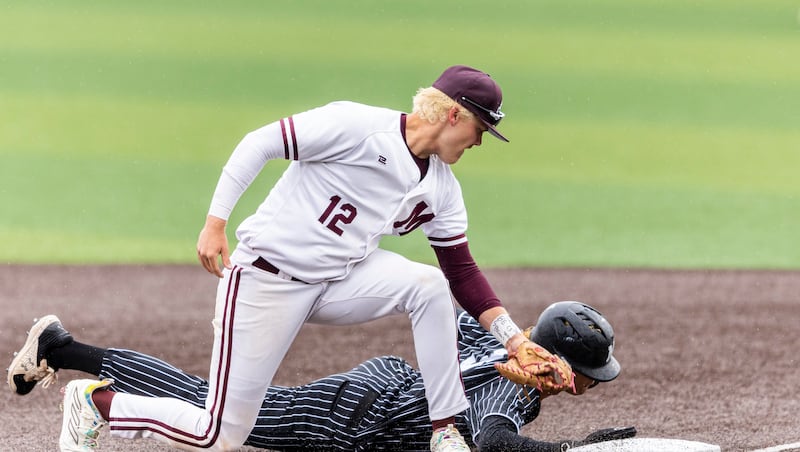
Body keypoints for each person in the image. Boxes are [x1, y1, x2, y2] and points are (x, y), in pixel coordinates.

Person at [35, 65, 557, 452]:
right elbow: (259, 143)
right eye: (480, 129)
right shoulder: (357, 125)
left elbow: (461, 270)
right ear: (452, 114)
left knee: (427, 287)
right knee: (221, 433)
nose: (479, 142)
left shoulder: (442, 188)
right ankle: (95, 404)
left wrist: (513, 338)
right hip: (267, 280)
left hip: (339, 280)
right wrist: (215, 222)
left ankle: (444, 429)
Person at [8, 301, 635, 451]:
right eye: (583, 374)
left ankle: (66, 351)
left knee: (218, 403)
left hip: (385, 393)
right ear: (554, 363)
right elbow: (496, 441)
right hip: (362, 410)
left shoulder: (497, 343)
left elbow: (453, 304)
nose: (586, 384)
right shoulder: (513, 389)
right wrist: (575, 448)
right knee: (220, 411)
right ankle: (82, 379)